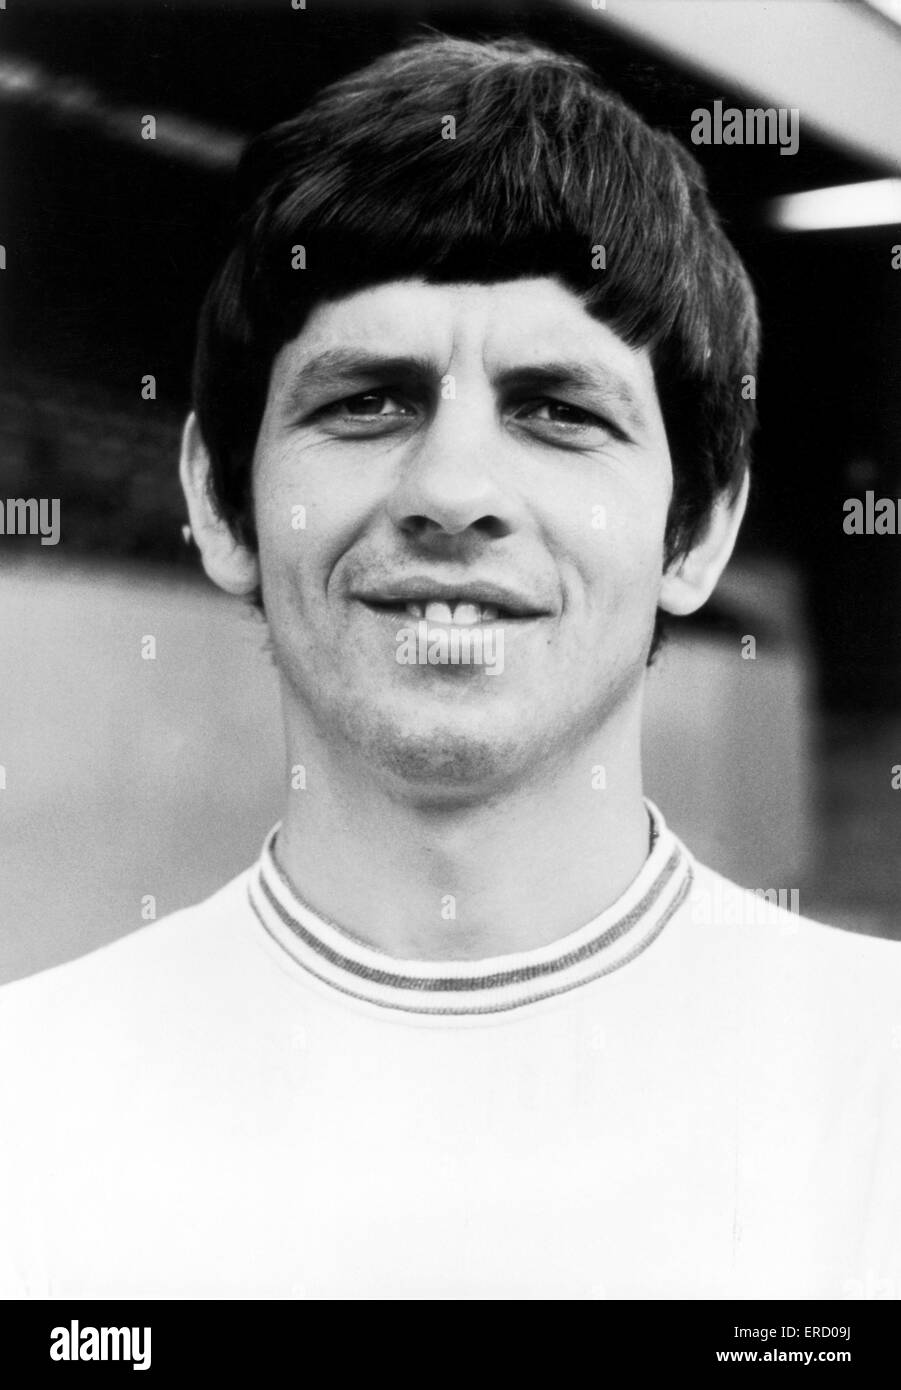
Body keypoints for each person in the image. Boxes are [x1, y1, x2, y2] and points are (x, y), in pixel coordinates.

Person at [1, 35, 898, 1301]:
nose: (453, 492)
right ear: (215, 496)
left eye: (558, 411)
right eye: (368, 400)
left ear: (695, 532)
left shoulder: (880, 1092)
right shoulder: (25, 1114)